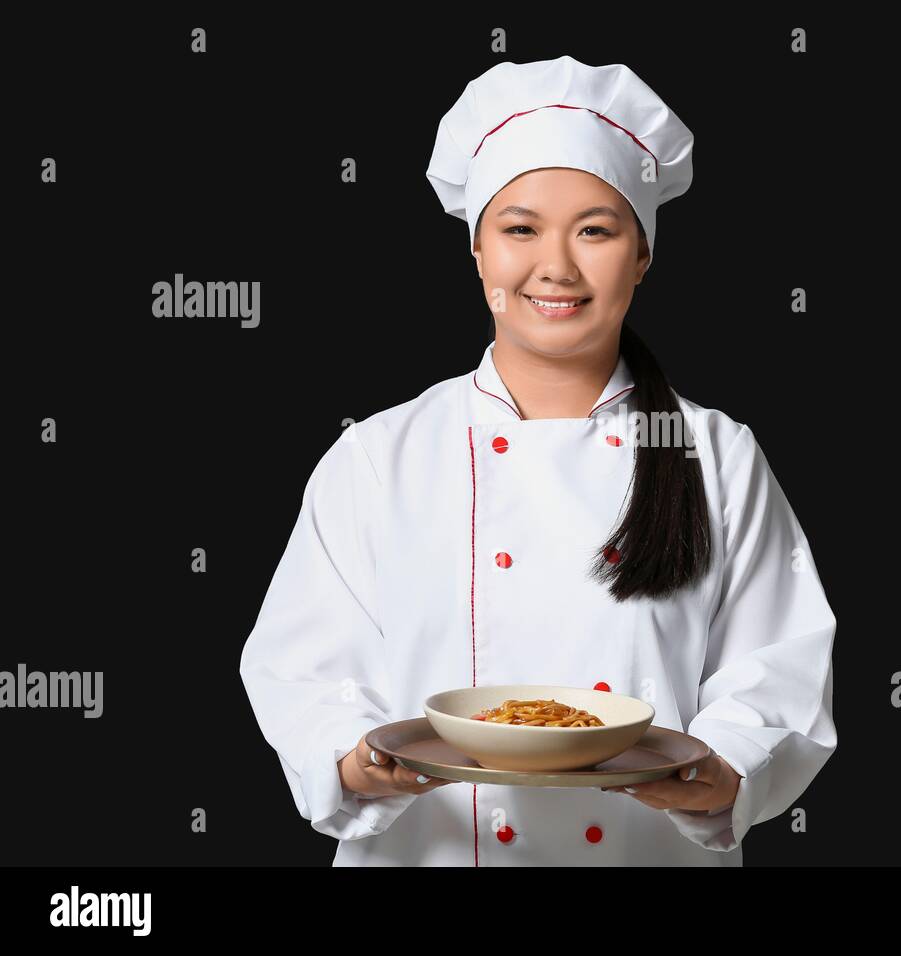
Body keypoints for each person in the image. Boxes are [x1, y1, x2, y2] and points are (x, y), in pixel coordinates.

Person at [238, 54, 837, 866]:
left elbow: (778, 663)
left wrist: (724, 768)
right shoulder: (380, 456)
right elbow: (301, 667)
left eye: (596, 229)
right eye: (520, 229)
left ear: (643, 254)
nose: (556, 266)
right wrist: (354, 760)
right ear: (479, 250)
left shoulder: (714, 453)